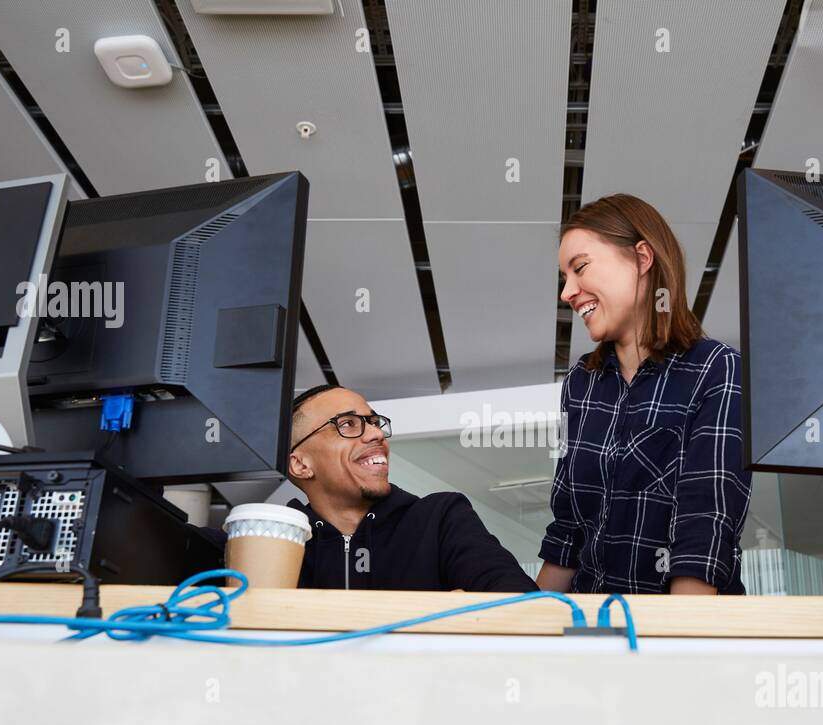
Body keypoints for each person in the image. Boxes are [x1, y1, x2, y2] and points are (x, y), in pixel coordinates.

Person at [536, 194, 751, 595]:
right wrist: (528, 634)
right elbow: (567, 532)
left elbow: (704, 531)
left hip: (679, 636)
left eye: (579, 267)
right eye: (564, 278)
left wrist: (670, 648)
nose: (567, 292)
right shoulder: (582, 383)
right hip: (592, 632)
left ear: (642, 258)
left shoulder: (717, 369)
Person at [275, 383, 537, 591]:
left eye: (374, 422)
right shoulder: (274, 543)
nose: (376, 434)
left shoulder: (441, 518)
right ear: (300, 465)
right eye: (347, 424)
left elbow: (520, 605)